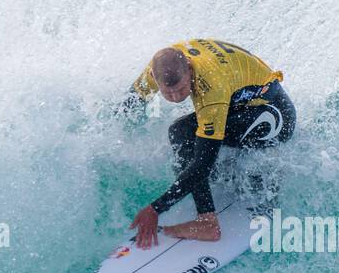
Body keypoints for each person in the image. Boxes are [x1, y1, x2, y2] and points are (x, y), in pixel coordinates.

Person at [122, 38, 295, 248]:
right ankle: (223, 179)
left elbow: (202, 165)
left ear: (189, 69)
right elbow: (131, 102)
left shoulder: (211, 86)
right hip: (242, 107)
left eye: (182, 88)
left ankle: (207, 223)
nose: (176, 97)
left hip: (273, 117)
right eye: (168, 93)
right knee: (187, 137)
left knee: (184, 135)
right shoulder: (159, 67)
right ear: (153, 77)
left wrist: (155, 209)